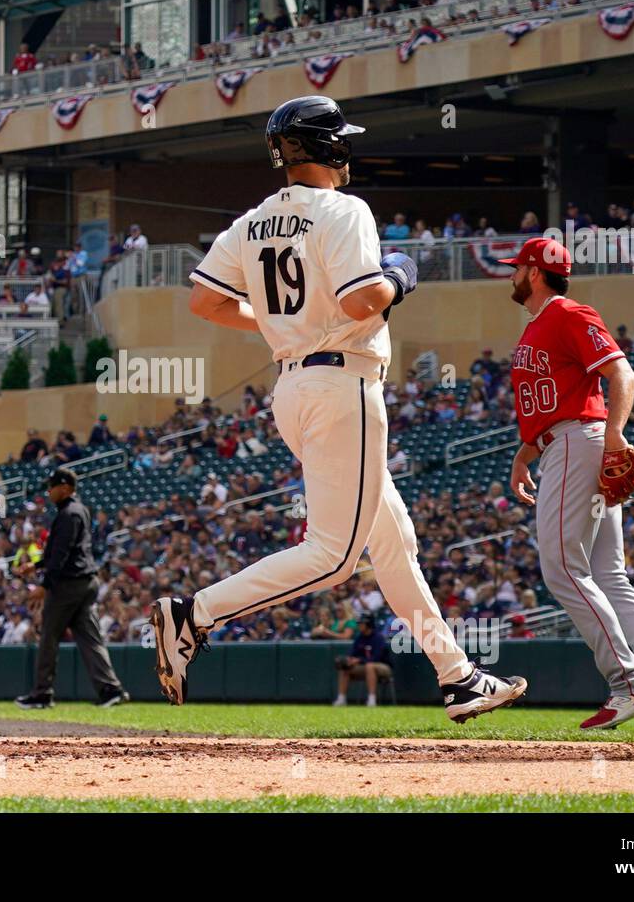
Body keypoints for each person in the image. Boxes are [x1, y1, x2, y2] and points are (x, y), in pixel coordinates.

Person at [153, 95, 527, 723]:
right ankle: (194, 613)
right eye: (340, 139)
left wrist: (284, 327)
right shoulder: (344, 208)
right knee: (333, 556)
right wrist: (402, 273)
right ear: (326, 148)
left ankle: (458, 677)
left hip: (295, 388)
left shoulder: (251, 222)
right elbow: (363, 302)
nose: (346, 147)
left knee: (396, 542)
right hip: (342, 386)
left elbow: (205, 304)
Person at [503, 237, 634, 735]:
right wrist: (524, 454)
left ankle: (631, 684)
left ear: (534, 272)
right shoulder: (537, 326)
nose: (510, 275)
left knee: (560, 569)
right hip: (560, 443)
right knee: (608, 577)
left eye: (517, 268)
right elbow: (555, 400)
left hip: (580, 442)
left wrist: (615, 433)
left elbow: (623, 373)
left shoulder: (569, 313)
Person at [16, 468, 130, 708]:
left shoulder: (69, 513)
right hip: (85, 583)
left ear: (65, 487)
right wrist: (36, 565)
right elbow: (66, 551)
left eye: (53, 486)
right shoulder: (79, 510)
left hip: (68, 585)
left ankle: (42, 693)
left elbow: (61, 554)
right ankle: (111, 689)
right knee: (90, 639)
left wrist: (44, 586)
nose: (49, 491)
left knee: (49, 636)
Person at [332, 615, 393, 706]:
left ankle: (372, 699)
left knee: (370, 666)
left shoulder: (378, 637)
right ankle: (341, 698)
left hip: (383, 667)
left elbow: (377, 658)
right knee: (345, 667)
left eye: (361, 623)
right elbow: (352, 653)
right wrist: (348, 660)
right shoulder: (359, 637)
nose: (359, 625)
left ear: (368, 624)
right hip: (364, 666)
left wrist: (359, 660)